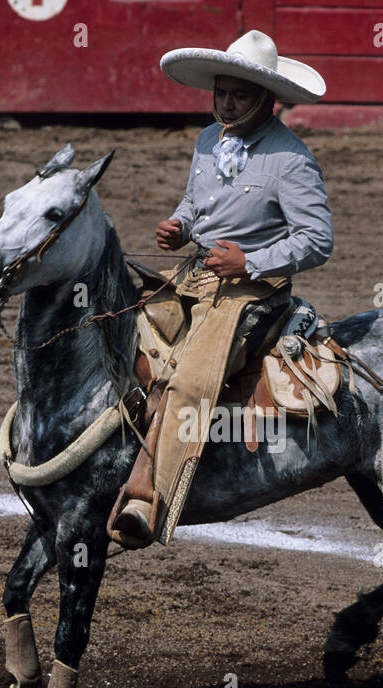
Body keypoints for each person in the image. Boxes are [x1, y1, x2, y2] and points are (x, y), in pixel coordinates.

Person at [108, 29, 333, 549]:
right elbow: (196, 202)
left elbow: (318, 240)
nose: (227, 105)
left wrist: (250, 260)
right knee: (124, 334)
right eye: (221, 93)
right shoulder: (208, 140)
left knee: (188, 384)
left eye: (239, 95)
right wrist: (180, 226)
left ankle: (148, 499)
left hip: (254, 292)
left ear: (267, 98)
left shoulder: (291, 159)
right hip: (195, 276)